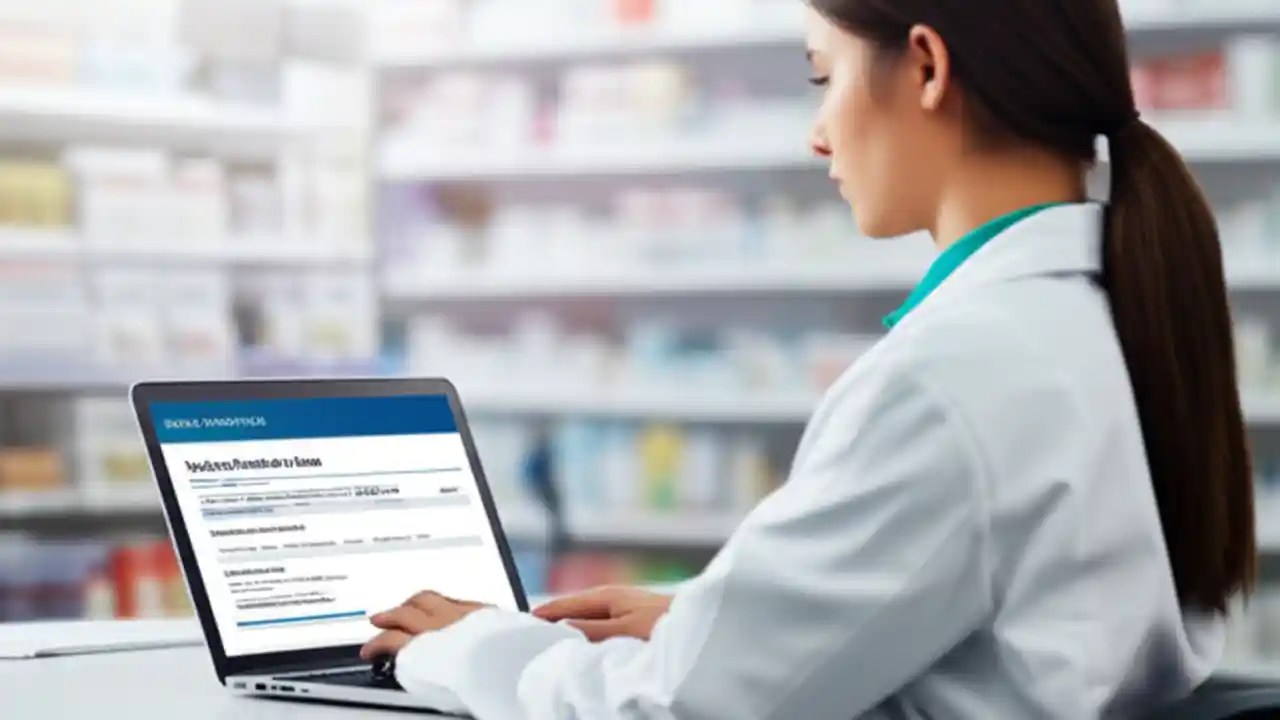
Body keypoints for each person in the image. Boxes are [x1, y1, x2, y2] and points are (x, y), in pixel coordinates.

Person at [360, 0, 1258, 717]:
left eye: (825, 78)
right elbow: (1021, 627)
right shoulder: (1101, 313)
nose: (817, 133)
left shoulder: (953, 374)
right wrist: (719, 624)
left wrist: (468, 649)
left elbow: (668, 711)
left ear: (926, 67)